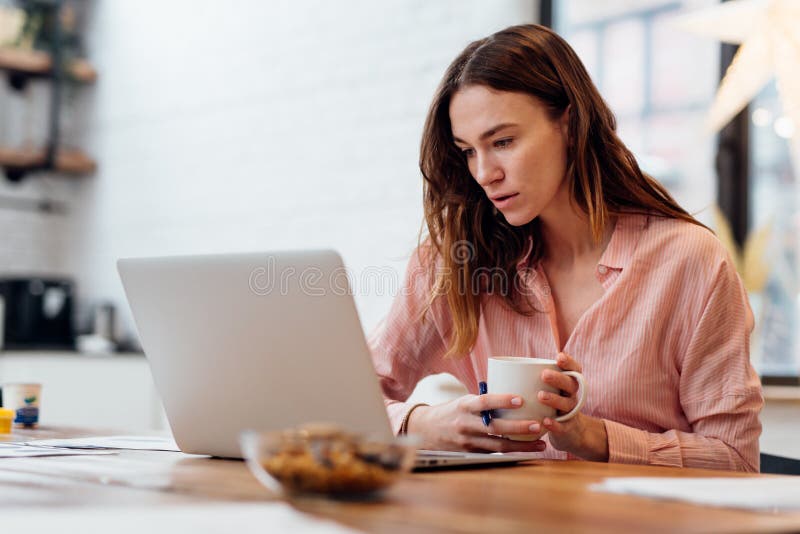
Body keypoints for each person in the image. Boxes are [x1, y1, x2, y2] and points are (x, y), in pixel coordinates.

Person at [368, 24, 762, 472]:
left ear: (569, 125)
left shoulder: (689, 262)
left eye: (502, 142)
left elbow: (736, 461)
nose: (484, 173)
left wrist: (593, 436)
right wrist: (421, 423)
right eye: (468, 151)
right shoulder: (457, 263)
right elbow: (344, 395)